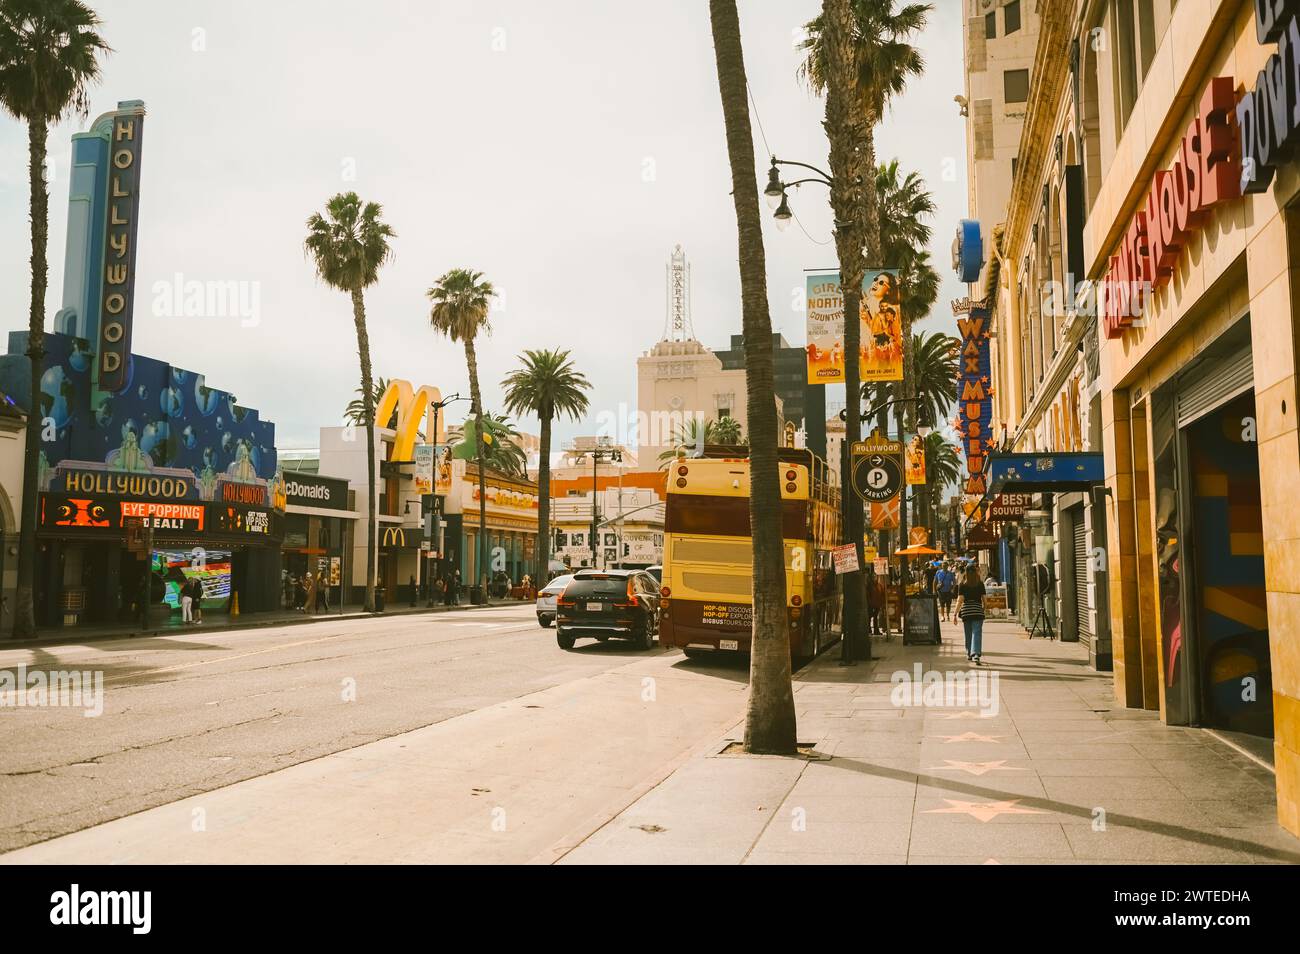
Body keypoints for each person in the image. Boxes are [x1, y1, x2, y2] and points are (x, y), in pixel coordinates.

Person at [954, 566, 987, 664]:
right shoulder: (980, 584)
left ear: (966, 573)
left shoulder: (962, 585)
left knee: (968, 633)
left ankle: (969, 653)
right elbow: (985, 600)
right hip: (977, 610)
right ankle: (976, 654)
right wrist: (983, 609)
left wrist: (955, 614)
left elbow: (960, 601)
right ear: (976, 572)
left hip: (966, 611)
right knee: (976, 633)